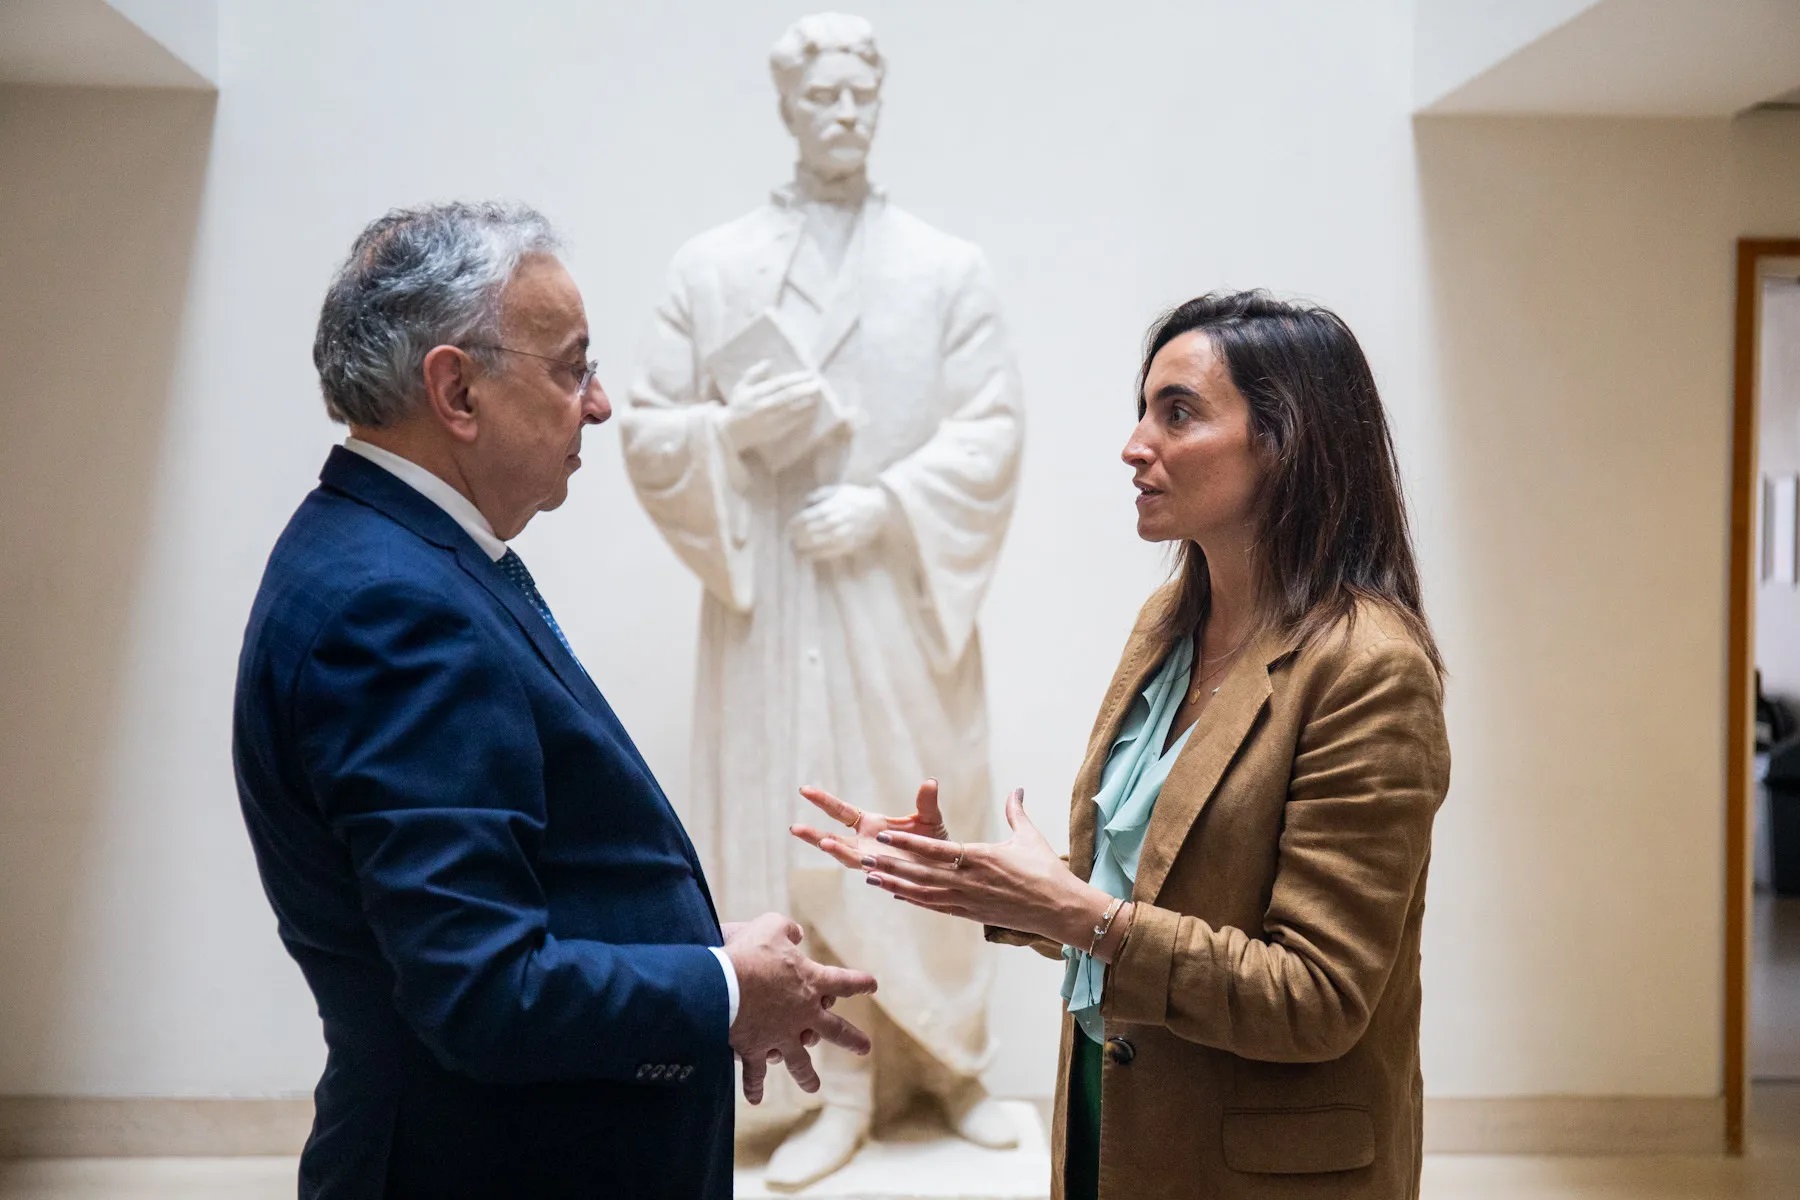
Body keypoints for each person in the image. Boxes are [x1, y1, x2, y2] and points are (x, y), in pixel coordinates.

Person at [232, 201, 877, 1200]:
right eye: (572, 366)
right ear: (457, 390)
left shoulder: (395, 555)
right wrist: (724, 986)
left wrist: (703, 957)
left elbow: (525, 883)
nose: (602, 403)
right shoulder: (394, 608)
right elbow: (484, 989)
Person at [795, 291, 1452, 1198]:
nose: (1134, 444)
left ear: (1282, 440)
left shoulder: (1369, 667)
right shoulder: (1170, 623)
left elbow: (1317, 998)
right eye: (1141, 410)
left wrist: (1076, 915)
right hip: (1121, 1126)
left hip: (1265, 1169)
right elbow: (1156, 879)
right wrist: (986, 883)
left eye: (1176, 413)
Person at [620, 12, 1023, 1188]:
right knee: (794, 840)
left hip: (895, 605)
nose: (844, 115)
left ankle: (948, 1066)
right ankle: (836, 1086)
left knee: (913, 831)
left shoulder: (946, 267)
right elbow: (648, 426)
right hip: (771, 601)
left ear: (878, 103)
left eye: (861, 96)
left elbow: (992, 426)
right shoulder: (714, 264)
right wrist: (733, 436)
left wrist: (890, 504)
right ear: (788, 107)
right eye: (823, 98)